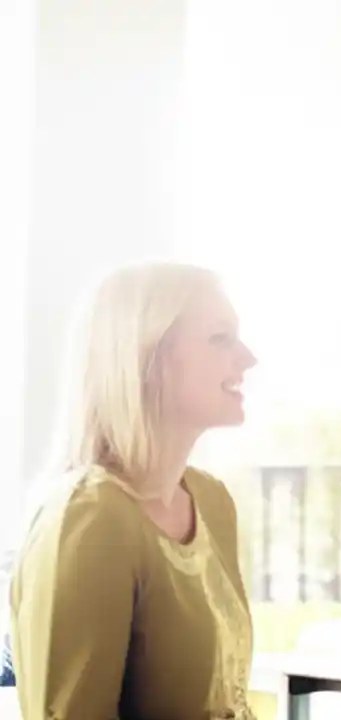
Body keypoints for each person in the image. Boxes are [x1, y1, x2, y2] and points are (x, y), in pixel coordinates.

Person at [9, 263, 259, 719]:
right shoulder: (88, 517)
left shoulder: (211, 501)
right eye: (221, 338)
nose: (247, 358)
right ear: (148, 357)